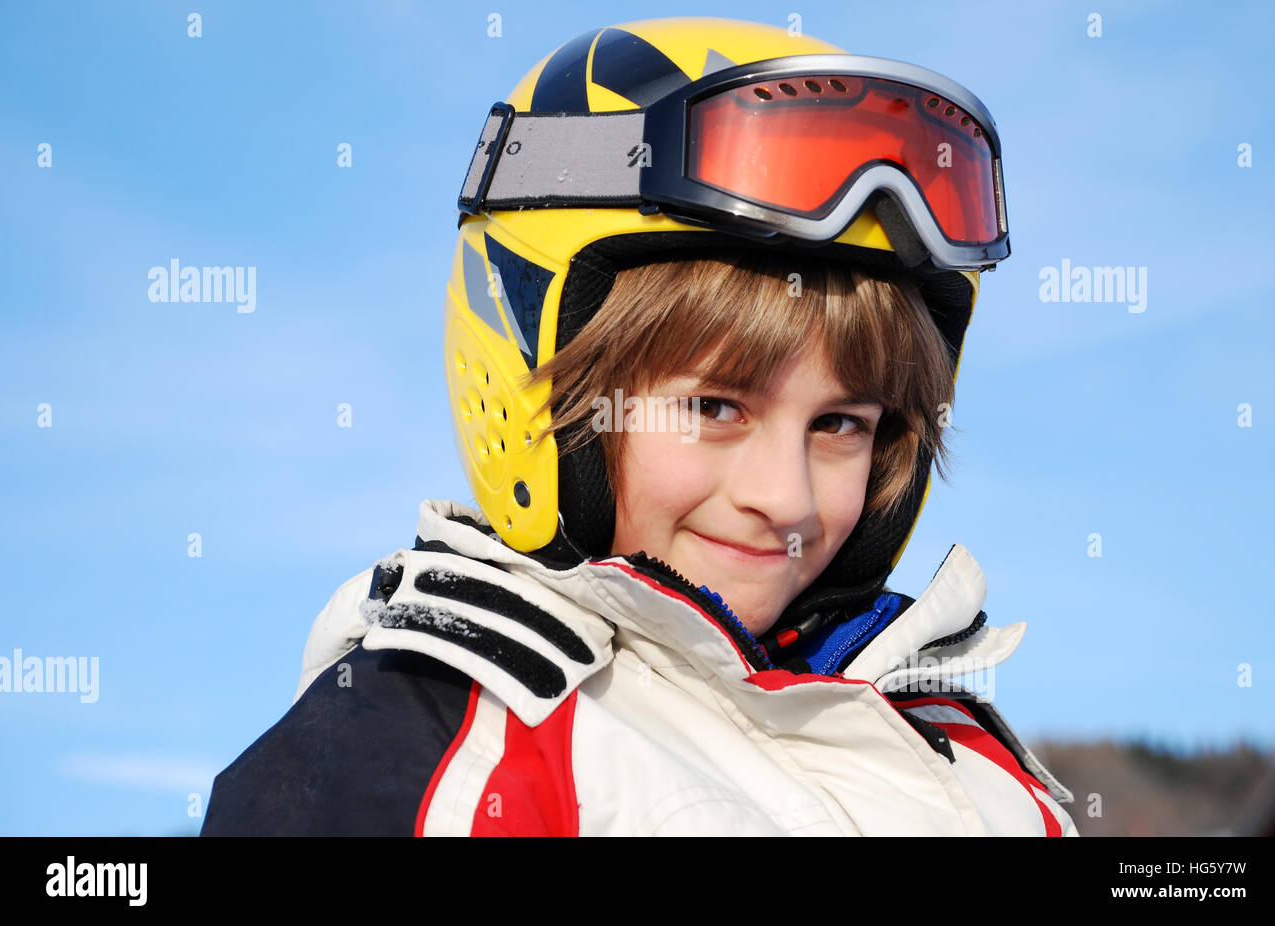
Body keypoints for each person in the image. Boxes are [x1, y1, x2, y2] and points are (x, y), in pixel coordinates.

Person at [201, 16, 1078, 836]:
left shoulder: (970, 758)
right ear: (544, 393)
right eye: (714, 407)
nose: (786, 499)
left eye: (842, 423)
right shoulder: (433, 756)